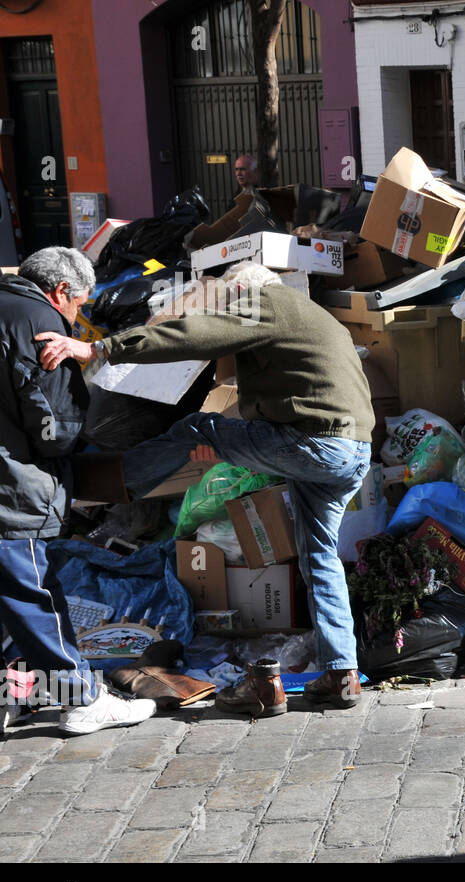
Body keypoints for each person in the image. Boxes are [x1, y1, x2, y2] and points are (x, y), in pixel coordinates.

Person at [35, 262, 375, 713]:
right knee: (319, 557)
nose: (228, 310)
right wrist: (230, 442)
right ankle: (341, 673)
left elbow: (192, 335)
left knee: (199, 425)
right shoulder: (310, 313)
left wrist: (99, 350)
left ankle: (111, 487)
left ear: (238, 290)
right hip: (352, 452)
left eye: (227, 301)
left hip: (312, 444)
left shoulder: (262, 303)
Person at [0, 246, 156, 735]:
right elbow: (55, 427)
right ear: (61, 291)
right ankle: (82, 696)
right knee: (33, 595)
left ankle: (11, 692)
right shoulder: (40, 322)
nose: (77, 316)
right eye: (79, 305)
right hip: (12, 487)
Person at [185, 153, 262, 250]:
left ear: (255, 172)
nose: (238, 173)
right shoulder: (238, 195)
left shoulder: (259, 196)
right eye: (236, 169)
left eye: (243, 169)